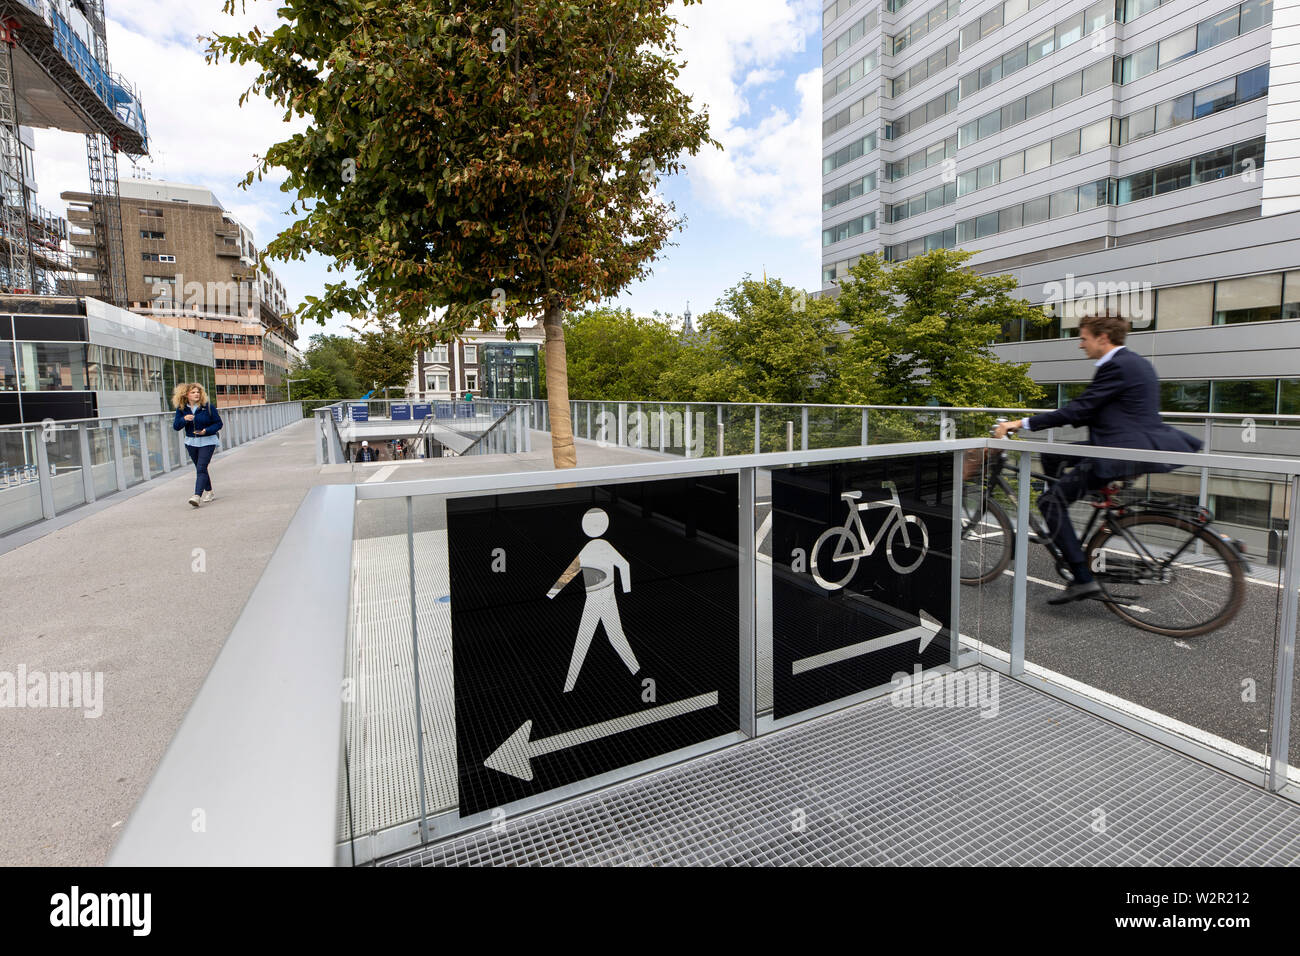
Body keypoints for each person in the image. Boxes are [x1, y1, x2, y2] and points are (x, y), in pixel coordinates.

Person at [994, 313, 1202, 604]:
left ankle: (1081, 578)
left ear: (1102, 338)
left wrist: (1021, 423)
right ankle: (1071, 512)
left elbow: (1079, 410)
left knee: (1049, 502)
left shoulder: (1116, 366)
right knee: (1051, 454)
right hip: (1124, 444)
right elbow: (1097, 410)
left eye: (1083, 338)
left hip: (1116, 453)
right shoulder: (1134, 362)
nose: (1080, 345)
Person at [172, 382, 223, 508]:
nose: (196, 394)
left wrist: (206, 431)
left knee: (201, 467)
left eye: (198, 392)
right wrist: (184, 419)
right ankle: (209, 491)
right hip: (191, 442)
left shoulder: (208, 407)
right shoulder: (181, 409)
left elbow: (218, 424)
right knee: (201, 468)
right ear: (186, 395)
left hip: (208, 441)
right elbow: (176, 427)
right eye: (193, 392)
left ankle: (196, 496)